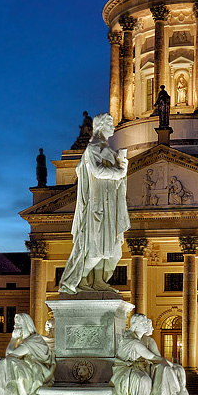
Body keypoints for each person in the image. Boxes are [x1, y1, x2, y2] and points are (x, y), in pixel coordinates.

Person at [59, 113, 130, 293]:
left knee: (112, 249)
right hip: (98, 205)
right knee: (97, 247)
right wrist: (119, 172)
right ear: (100, 126)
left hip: (110, 204)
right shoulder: (92, 149)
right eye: (110, 124)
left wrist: (123, 166)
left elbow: (117, 178)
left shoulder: (108, 151)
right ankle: (80, 280)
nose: (114, 128)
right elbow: (98, 171)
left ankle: (98, 280)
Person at [109, 314, 191, 395]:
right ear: (136, 326)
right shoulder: (134, 341)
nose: (146, 325)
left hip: (140, 368)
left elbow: (157, 357)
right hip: (125, 370)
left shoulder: (144, 340)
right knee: (144, 380)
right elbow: (152, 357)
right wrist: (173, 364)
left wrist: (170, 366)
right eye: (143, 323)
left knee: (164, 369)